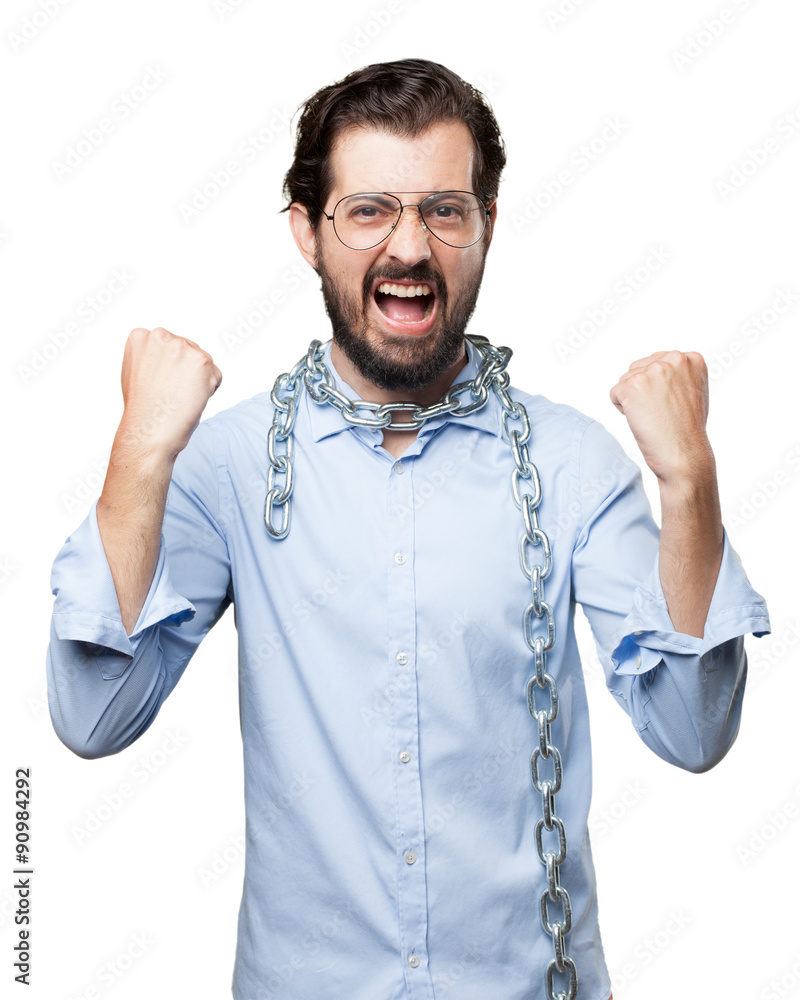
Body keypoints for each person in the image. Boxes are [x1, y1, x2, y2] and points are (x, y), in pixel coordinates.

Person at [47, 58, 769, 1000]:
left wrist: (691, 480)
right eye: (368, 209)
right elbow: (93, 718)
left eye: (444, 209)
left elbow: (694, 729)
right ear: (307, 231)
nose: (410, 248)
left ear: (487, 225)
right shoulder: (223, 466)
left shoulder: (572, 462)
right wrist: (139, 455)